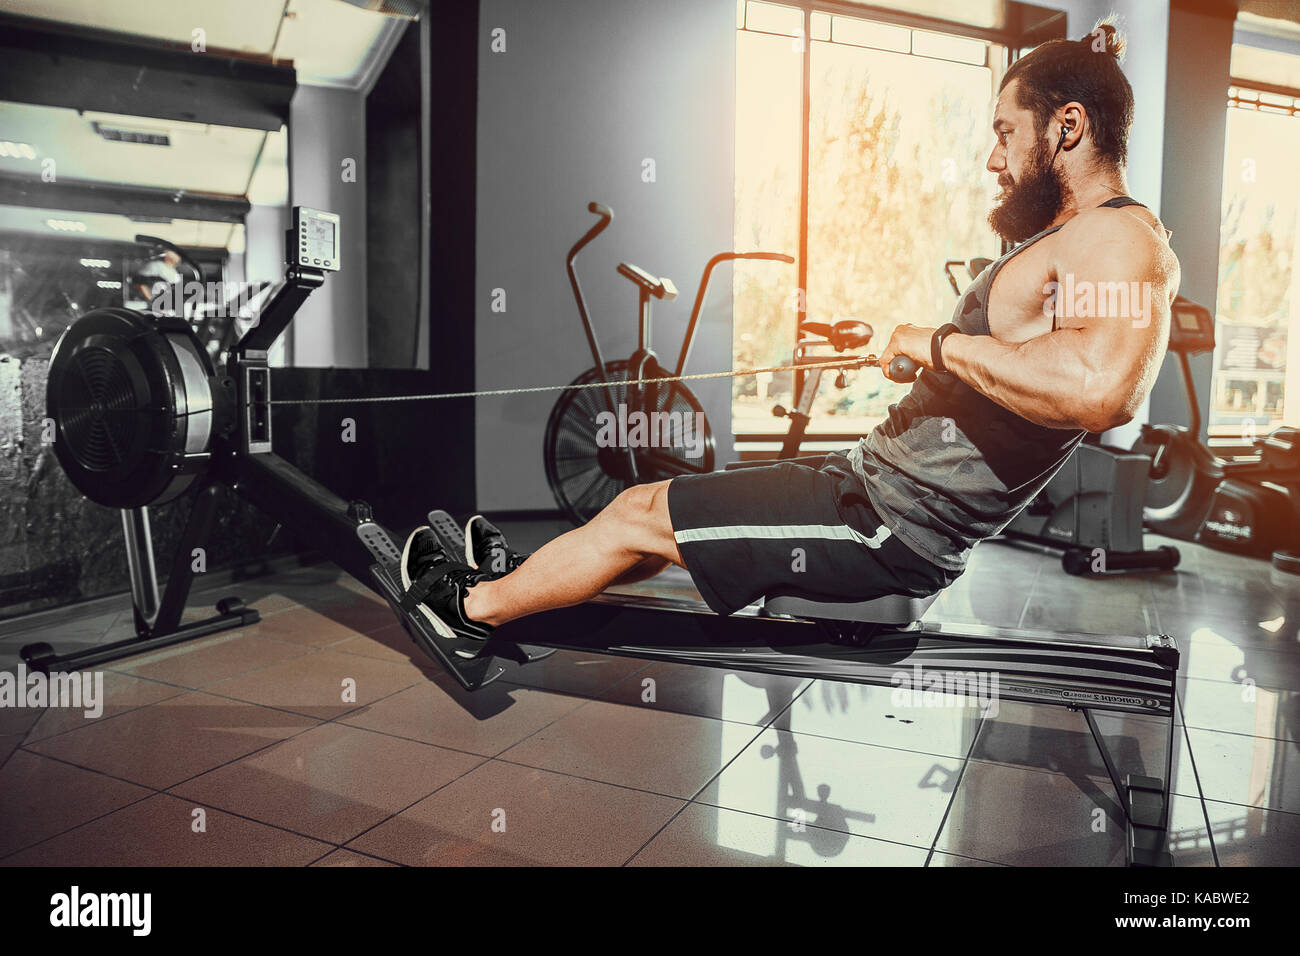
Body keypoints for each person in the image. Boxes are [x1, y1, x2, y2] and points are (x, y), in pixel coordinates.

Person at [400, 21, 1181, 651]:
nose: (992, 158)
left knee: (641, 509)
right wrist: (933, 363)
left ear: (1068, 127)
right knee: (653, 521)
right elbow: (1029, 374)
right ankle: (523, 582)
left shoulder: (1117, 240)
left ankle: (469, 611)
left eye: (1006, 132)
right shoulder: (1078, 240)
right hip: (869, 490)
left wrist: (934, 344)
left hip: (884, 522)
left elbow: (1101, 391)